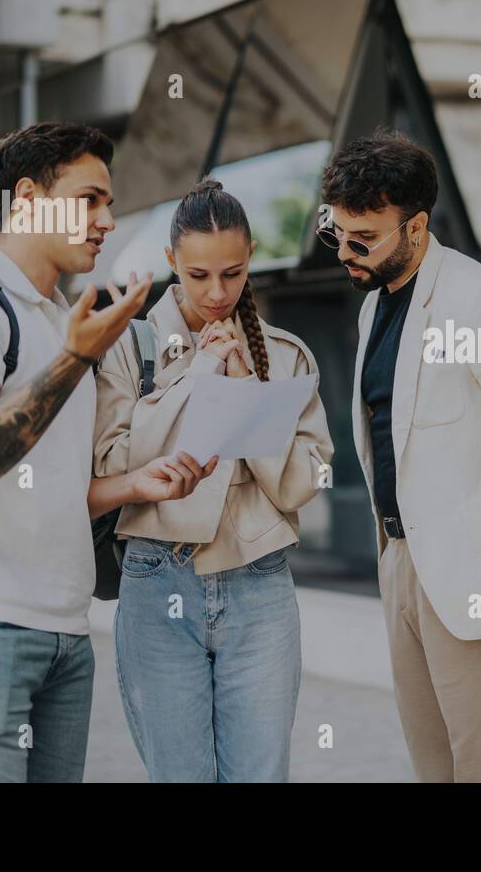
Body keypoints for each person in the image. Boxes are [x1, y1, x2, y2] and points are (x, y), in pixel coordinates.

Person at [0, 122, 216, 782]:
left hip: (61, 631)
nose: (107, 221)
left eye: (109, 204)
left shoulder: (60, 321)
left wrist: (134, 483)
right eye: (90, 199)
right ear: (29, 196)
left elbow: (48, 484)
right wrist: (77, 357)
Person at [321, 127, 481, 782]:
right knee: (432, 768)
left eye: (365, 239)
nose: (347, 254)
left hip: (475, 574)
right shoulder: (372, 308)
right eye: (338, 235)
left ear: (415, 228)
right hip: (399, 564)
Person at [93, 178, 333, 783]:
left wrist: (244, 389)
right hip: (156, 579)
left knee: (260, 775)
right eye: (199, 276)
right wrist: (202, 371)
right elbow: (110, 466)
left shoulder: (287, 355)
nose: (217, 292)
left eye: (232, 272)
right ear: (172, 262)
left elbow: (303, 480)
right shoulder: (128, 347)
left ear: (251, 254)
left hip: (260, 584)